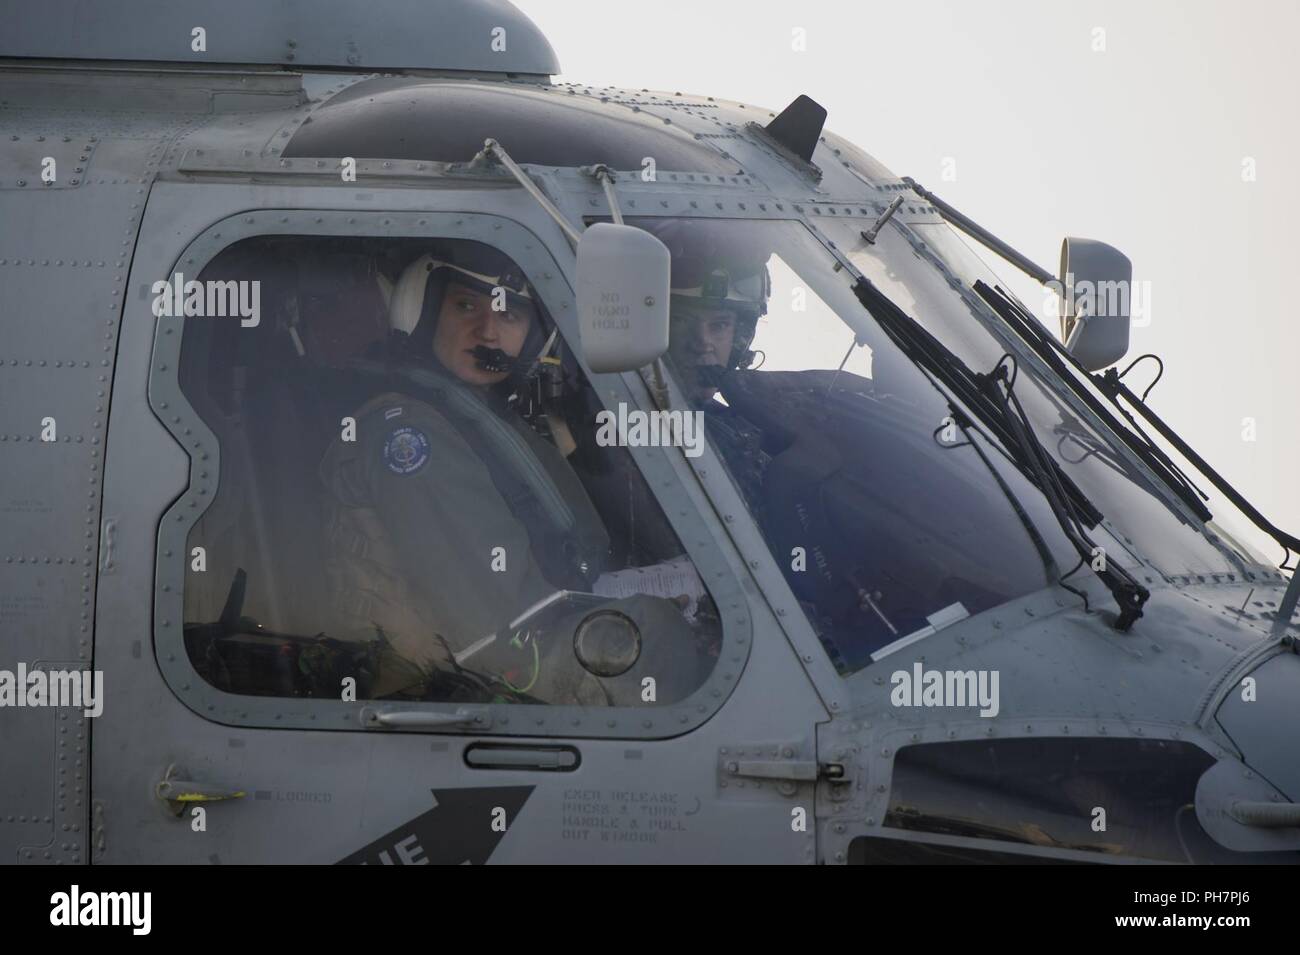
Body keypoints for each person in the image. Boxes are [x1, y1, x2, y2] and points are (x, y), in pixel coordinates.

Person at [318, 245, 700, 704]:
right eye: (466, 306)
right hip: (456, 684)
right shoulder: (410, 433)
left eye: (510, 316)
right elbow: (497, 632)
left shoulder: (480, 413)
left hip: (514, 639)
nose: (488, 332)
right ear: (419, 309)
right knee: (654, 634)